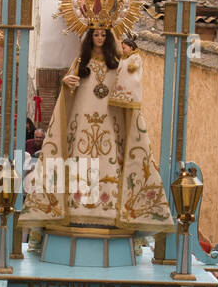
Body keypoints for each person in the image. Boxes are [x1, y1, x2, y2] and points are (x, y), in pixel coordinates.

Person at [20, 27, 172, 232]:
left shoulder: (117, 65)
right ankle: (74, 210)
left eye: (103, 35)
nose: (99, 38)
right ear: (90, 38)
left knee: (109, 164)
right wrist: (65, 84)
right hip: (81, 127)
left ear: (109, 38)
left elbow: (128, 93)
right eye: (96, 34)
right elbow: (68, 96)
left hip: (110, 126)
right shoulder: (81, 63)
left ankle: (110, 212)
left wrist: (132, 66)